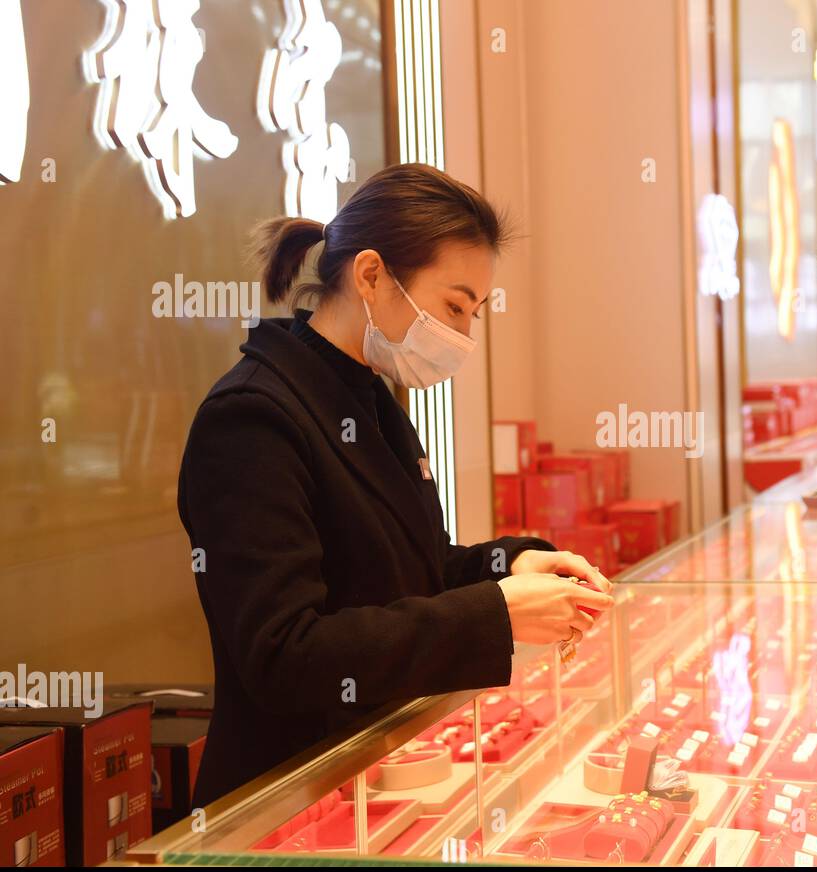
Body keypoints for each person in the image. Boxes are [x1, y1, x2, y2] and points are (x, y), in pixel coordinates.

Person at [179, 163, 613, 805]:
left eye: (473, 314)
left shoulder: (371, 399)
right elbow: (285, 653)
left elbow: (419, 573)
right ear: (373, 275)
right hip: (284, 801)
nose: (462, 337)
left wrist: (511, 561)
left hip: (372, 779)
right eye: (453, 306)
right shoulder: (251, 418)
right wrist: (498, 612)